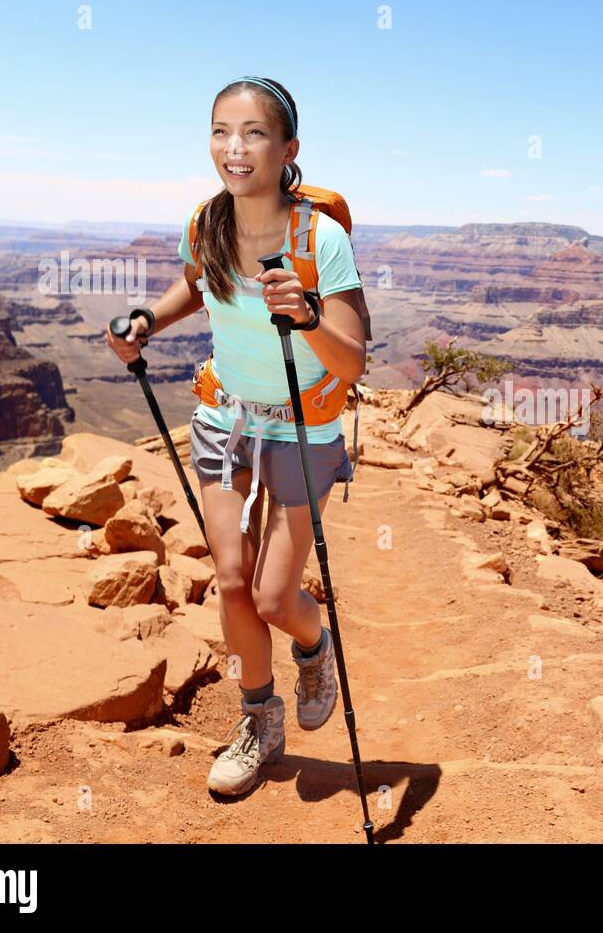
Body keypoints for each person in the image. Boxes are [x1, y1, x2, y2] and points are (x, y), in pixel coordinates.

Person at [104, 76, 369, 797]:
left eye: (254, 133)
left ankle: (314, 645)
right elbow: (199, 282)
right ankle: (259, 719)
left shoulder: (322, 238)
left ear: (288, 149)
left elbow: (354, 358)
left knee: (276, 597)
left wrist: (311, 316)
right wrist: (148, 321)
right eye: (222, 130)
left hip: (303, 429)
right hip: (224, 420)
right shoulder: (206, 222)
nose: (235, 147)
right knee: (229, 581)